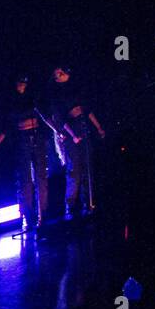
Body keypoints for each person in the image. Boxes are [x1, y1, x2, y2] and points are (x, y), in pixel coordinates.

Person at [0, 75, 48, 231]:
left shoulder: (32, 100)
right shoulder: (12, 103)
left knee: (41, 177)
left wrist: (58, 131)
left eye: (24, 83)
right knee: (25, 180)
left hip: (36, 139)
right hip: (22, 142)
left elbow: (44, 117)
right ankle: (28, 217)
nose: (21, 86)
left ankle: (43, 216)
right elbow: (6, 129)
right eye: (19, 83)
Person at [49, 66, 105, 218]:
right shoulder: (57, 95)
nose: (62, 74)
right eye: (58, 74)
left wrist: (98, 127)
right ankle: (70, 206)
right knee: (74, 171)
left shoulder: (76, 89)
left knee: (87, 167)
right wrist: (72, 135)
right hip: (71, 132)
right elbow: (60, 119)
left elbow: (87, 109)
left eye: (62, 71)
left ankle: (89, 202)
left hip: (83, 127)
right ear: (56, 78)